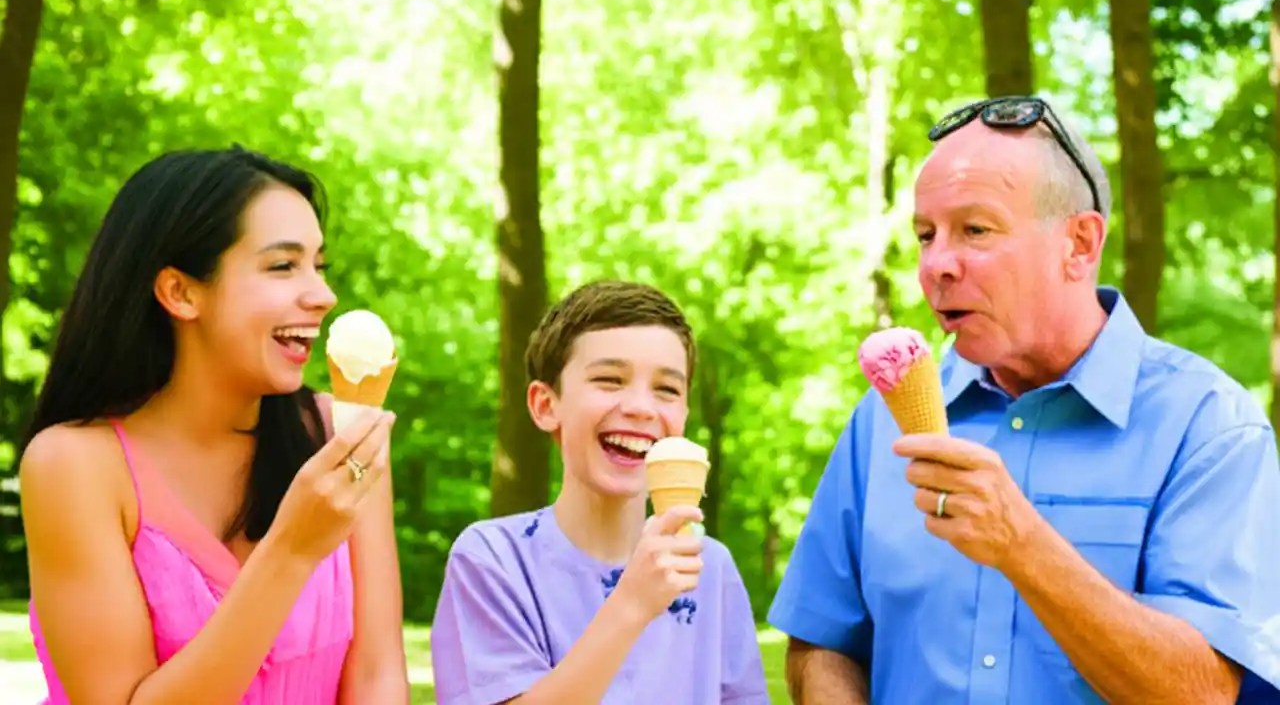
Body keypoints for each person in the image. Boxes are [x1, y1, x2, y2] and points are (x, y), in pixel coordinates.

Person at [768, 96, 1280, 703]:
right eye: (925, 235)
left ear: (1080, 244)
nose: (936, 265)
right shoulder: (879, 421)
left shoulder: (1209, 427)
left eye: (975, 230)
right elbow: (822, 642)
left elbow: (1203, 692)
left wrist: (1022, 546)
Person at [20, 147, 410, 703]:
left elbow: (378, 675)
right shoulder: (74, 465)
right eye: (283, 266)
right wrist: (292, 551)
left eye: (318, 266)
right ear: (180, 292)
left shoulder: (338, 432)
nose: (323, 296)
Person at [431, 280, 769, 704]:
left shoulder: (711, 569)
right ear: (544, 405)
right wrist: (631, 604)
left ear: (682, 413)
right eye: (610, 379)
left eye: (666, 389)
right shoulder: (492, 559)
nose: (642, 407)